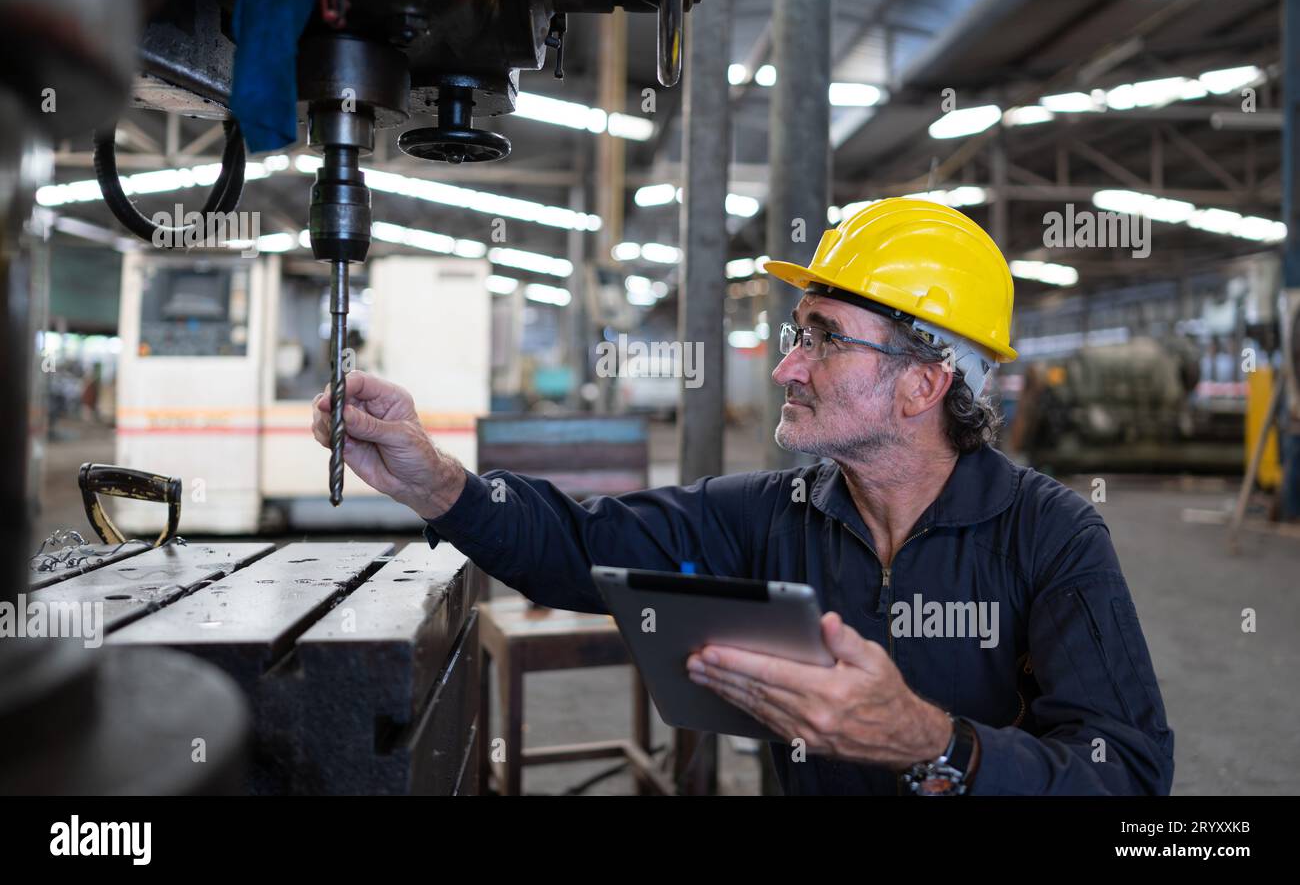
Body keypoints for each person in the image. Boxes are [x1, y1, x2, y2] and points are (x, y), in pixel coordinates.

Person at [311, 198, 1174, 795]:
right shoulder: (770, 514)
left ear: (923, 383)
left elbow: (1127, 776)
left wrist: (936, 746)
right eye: (796, 334)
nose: (786, 367)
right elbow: (579, 547)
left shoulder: (1050, 537)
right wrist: (442, 485)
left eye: (824, 341)